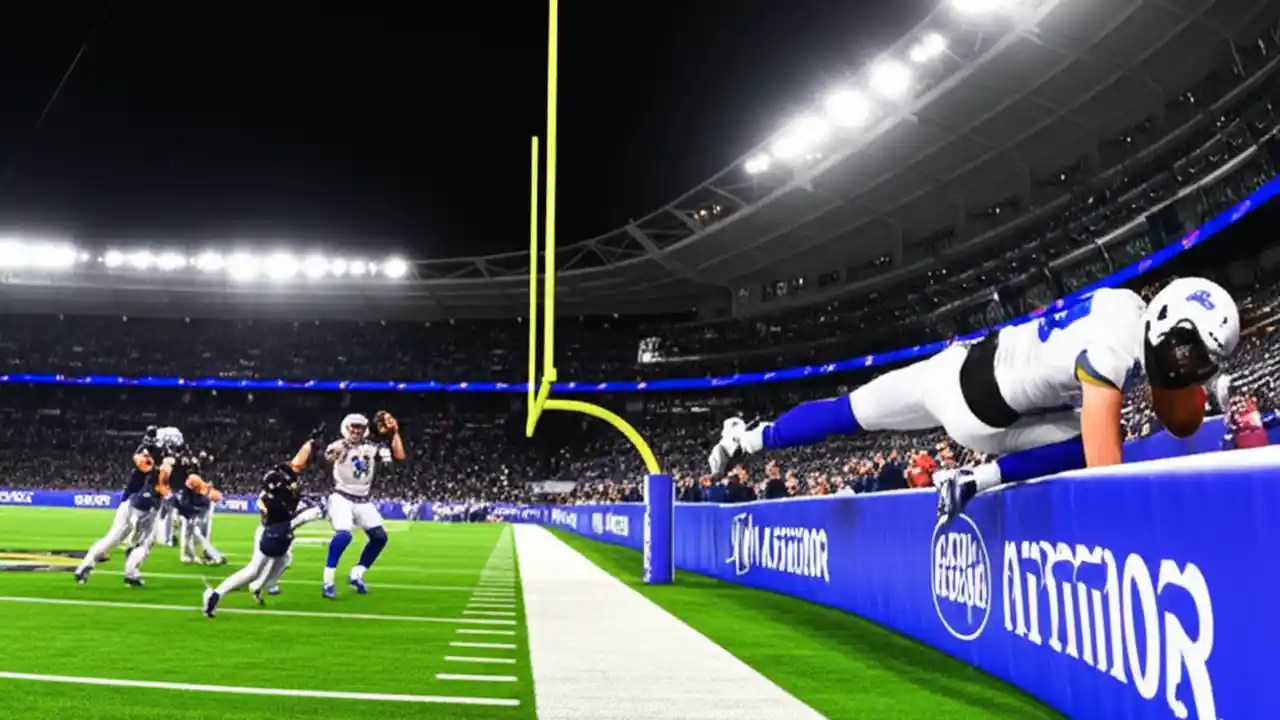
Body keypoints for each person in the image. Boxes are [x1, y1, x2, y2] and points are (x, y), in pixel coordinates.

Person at [708, 278, 1240, 518]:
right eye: (1185, 352)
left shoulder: (1127, 308)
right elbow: (1106, 474)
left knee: (848, 412)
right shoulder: (1115, 347)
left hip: (961, 367)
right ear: (1168, 320)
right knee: (1105, 434)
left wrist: (1190, 384)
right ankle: (976, 478)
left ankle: (748, 439)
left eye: (1199, 364)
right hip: (984, 414)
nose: (1185, 367)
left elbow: (1181, 417)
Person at [203, 431, 326, 617]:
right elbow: (293, 521)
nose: (293, 481)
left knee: (285, 559)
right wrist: (316, 512)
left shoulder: (277, 493)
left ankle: (259, 586)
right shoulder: (275, 504)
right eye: (289, 482)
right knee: (253, 570)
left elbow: (297, 463)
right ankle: (217, 594)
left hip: (275, 531)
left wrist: (309, 443)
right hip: (270, 532)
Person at [75, 426, 187, 585]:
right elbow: (162, 482)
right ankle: (131, 572)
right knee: (144, 543)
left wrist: (148, 442)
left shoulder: (147, 456)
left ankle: (86, 565)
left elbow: (141, 456)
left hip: (130, 502)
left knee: (113, 539)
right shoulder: (164, 463)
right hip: (145, 505)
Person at [321, 411, 405, 598]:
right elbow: (326, 459)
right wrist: (338, 452)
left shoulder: (372, 448)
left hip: (362, 499)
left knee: (380, 538)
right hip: (342, 496)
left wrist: (394, 434)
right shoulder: (339, 445)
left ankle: (357, 573)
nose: (357, 431)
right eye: (354, 427)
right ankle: (328, 580)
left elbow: (397, 459)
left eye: (360, 428)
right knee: (344, 536)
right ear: (347, 428)